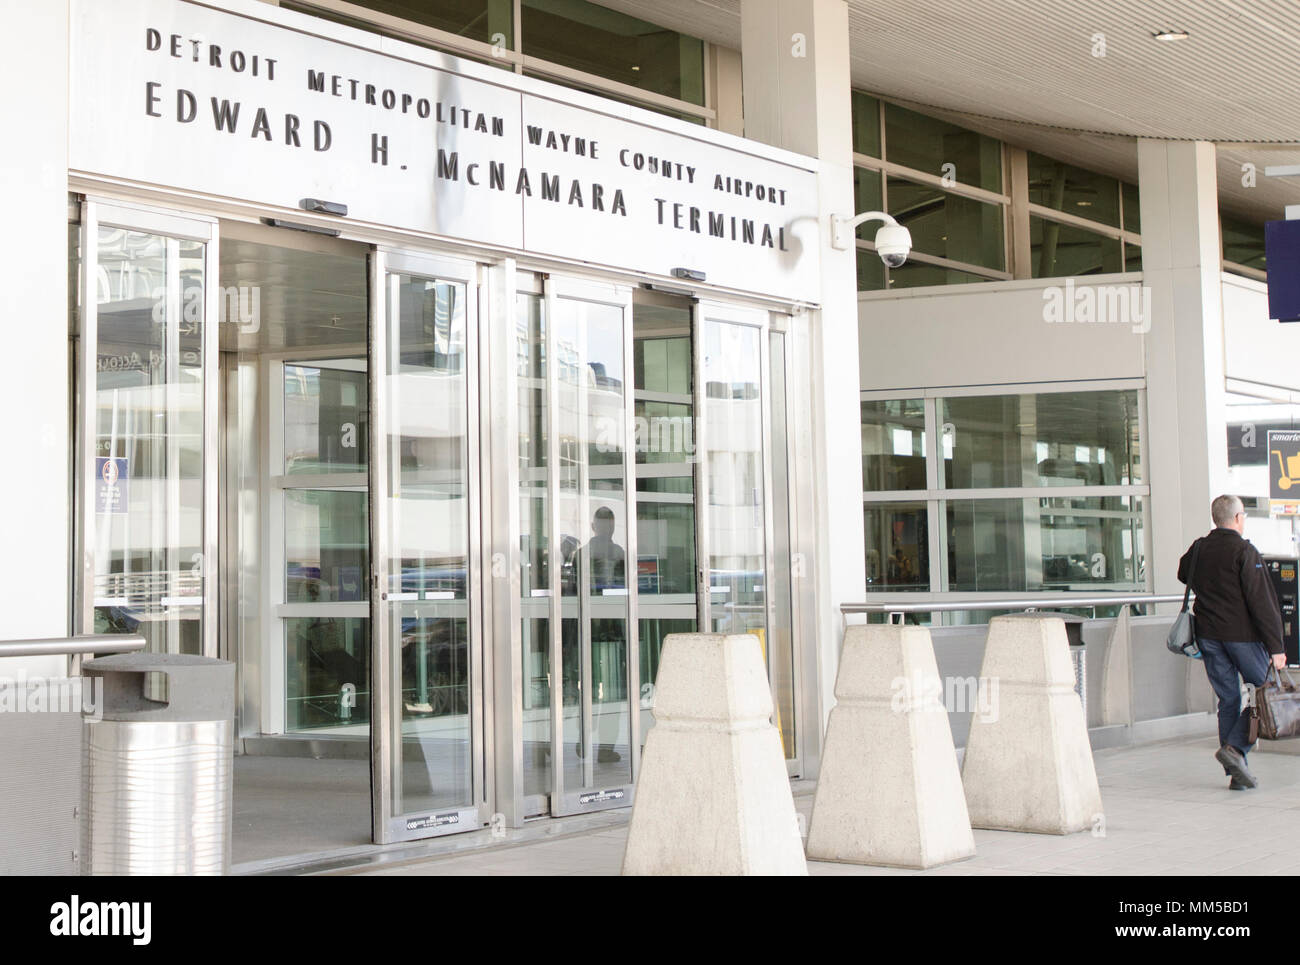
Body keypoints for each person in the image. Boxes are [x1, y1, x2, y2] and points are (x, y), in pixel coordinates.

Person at [1177, 494, 1286, 790]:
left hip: (1209, 636)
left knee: (1229, 700)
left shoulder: (1199, 548)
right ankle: (1236, 749)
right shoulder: (1244, 551)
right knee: (1266, 691)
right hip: (1241, 637)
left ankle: (1237, 774)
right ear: (1238, 518)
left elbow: (1182, 573)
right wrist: (1276, 647)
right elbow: (1262, 602)